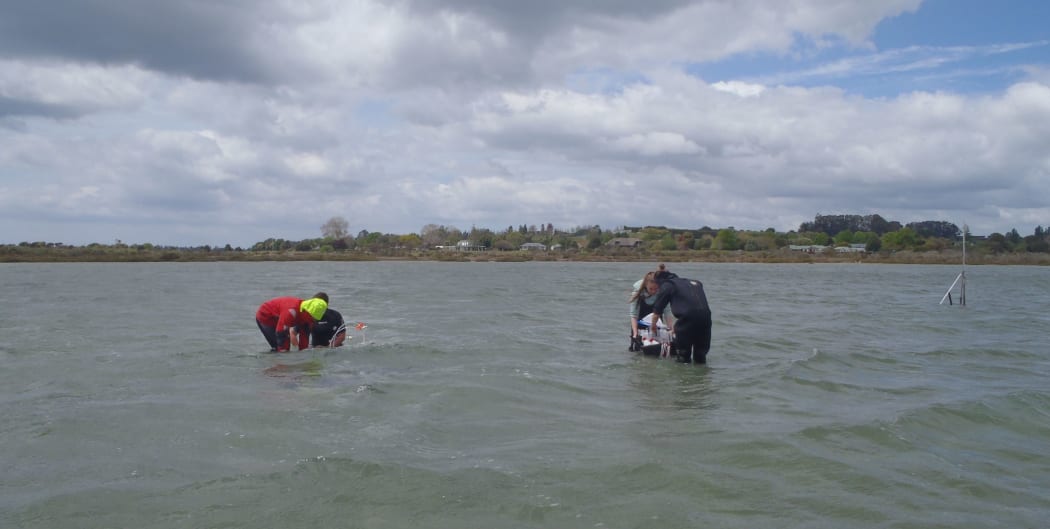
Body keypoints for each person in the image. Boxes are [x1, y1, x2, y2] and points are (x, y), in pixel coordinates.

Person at [648, 269, 712, 364]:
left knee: (683, 356)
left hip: (687, 319)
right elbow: (691, 306)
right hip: (706, 319)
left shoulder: (668, 285)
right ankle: (701, 377)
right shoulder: (696, 283)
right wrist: (677, 327)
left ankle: (684, 377)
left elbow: (657, 310)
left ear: (660, 282)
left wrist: (653, 326)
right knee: (700, 355)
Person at [255, 292, 328, 352]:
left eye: (315, 319)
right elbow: (281, 333)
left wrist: (303, 355)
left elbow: (304, 339)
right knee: (279, 347)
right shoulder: (291, 311)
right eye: (312, 318)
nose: (313, 321)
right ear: (307, 312)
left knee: (298, 340)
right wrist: (285, 355)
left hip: (281, 318)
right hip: (266, 316)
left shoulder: (308, 317)